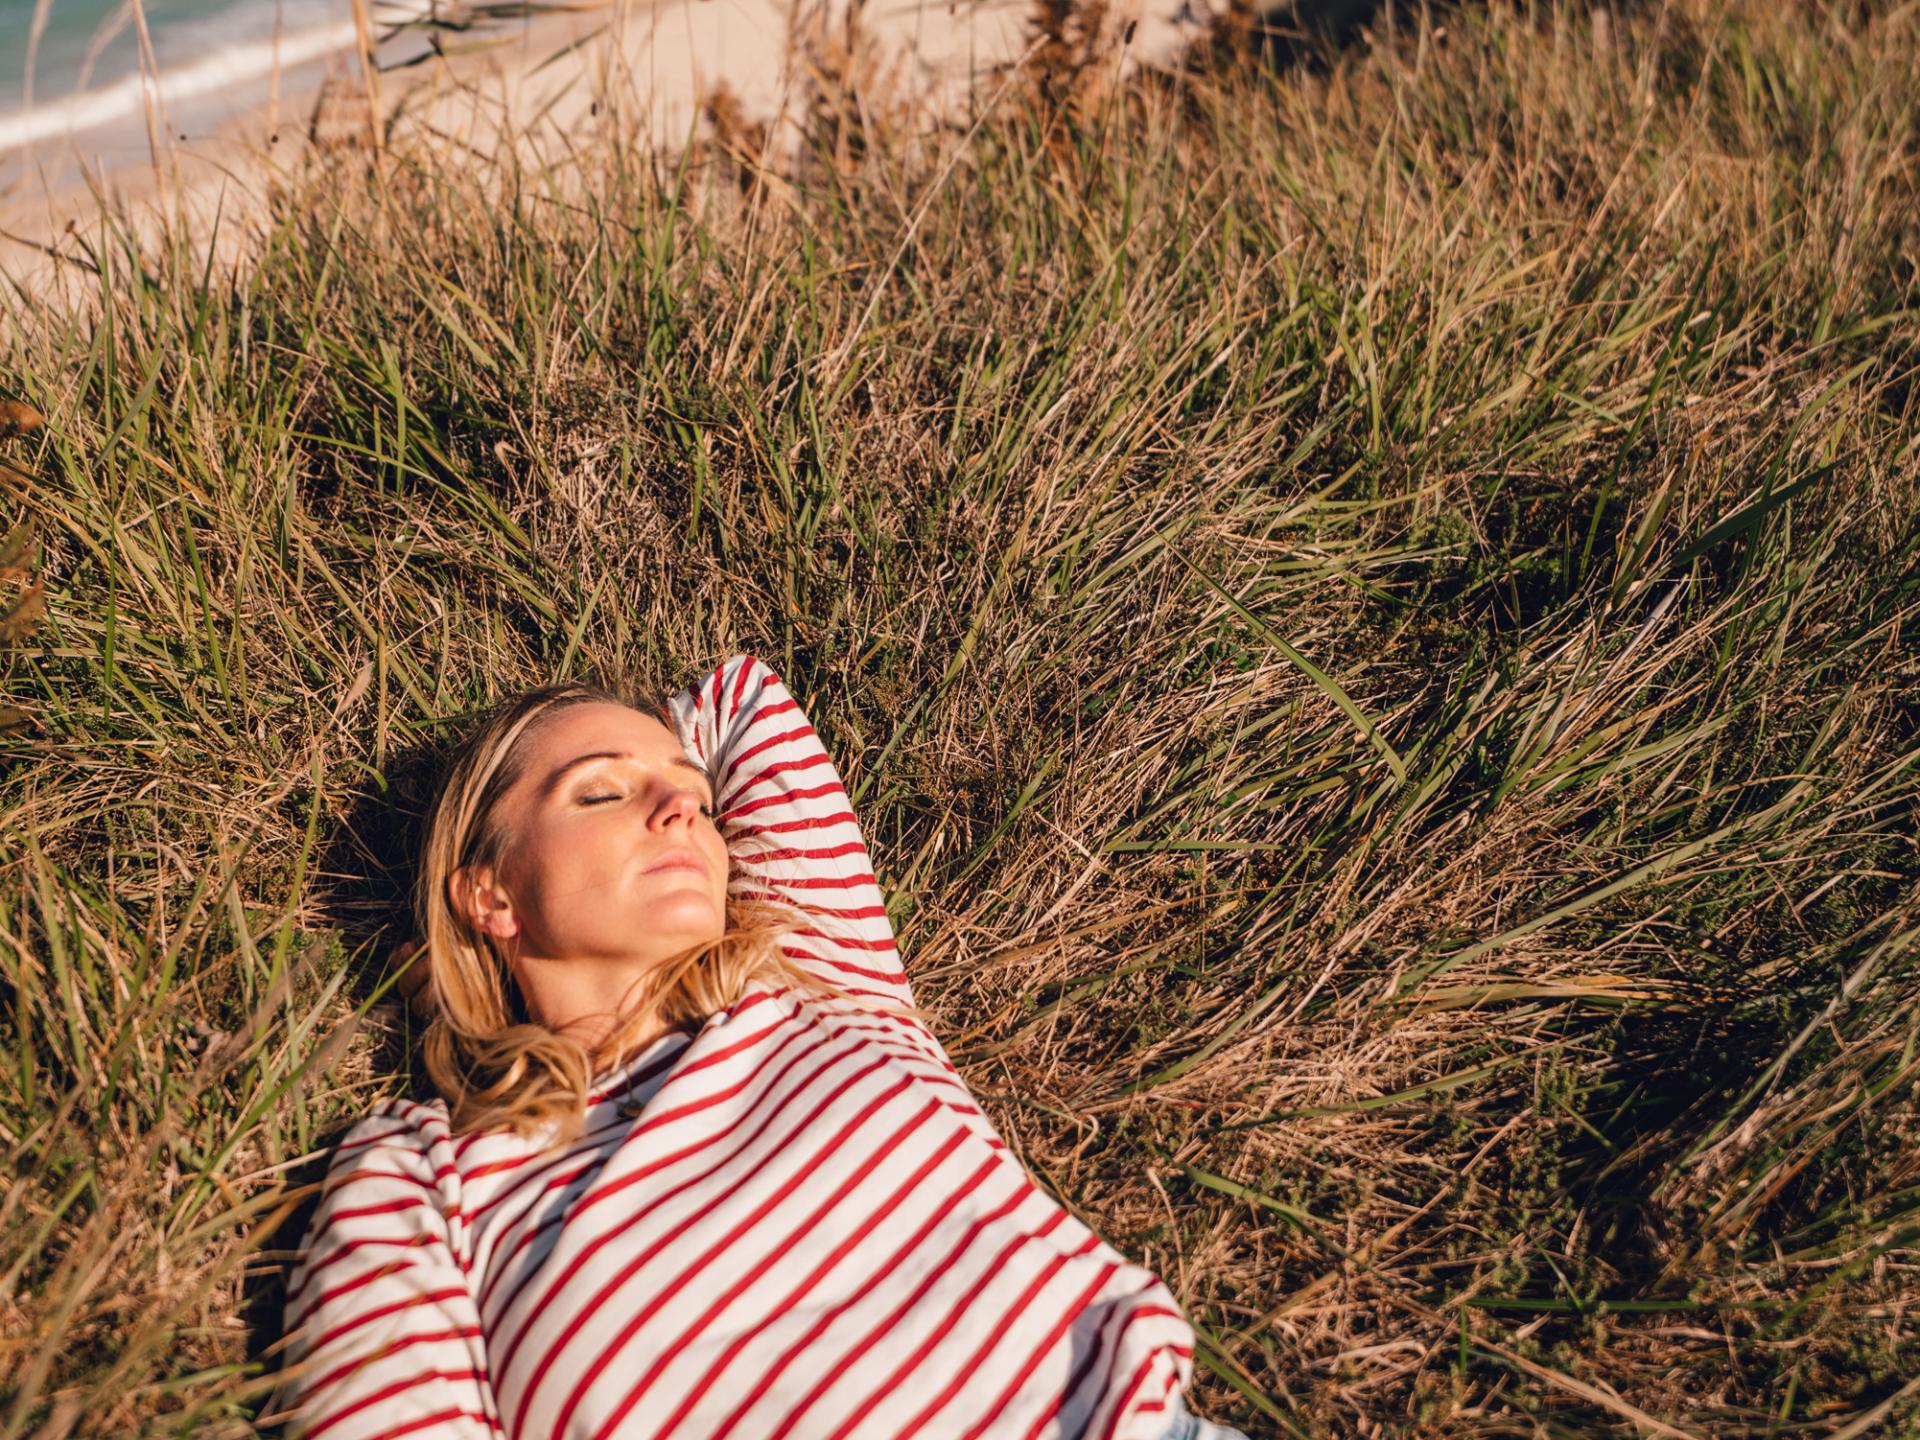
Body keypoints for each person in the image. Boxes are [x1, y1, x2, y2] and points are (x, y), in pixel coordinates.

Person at [271, 652, 1253, 1440]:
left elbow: (743, 700)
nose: (679, 815)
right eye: (601, 794)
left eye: (695, 801)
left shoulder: (812, 976)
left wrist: (652, 767)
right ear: (488, 892)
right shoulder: (426, 1174)